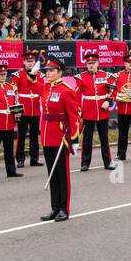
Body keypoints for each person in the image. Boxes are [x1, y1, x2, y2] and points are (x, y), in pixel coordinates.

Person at [39, 58, 81, 222]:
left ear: (59, 72)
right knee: (52, 174)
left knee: (62, 175)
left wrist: (74, 139)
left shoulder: (67, 90)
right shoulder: (45, 87)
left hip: (60, 136)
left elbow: (74, 117)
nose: (48, 73)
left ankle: (64, 208)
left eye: (51, 70)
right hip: (47, 135)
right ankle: (54, 207)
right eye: (47, 70)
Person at [76, 52, 116, 171]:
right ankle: (85, 163)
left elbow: (114, 90)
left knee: (104, 138)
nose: (91, 65)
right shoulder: (81, 77)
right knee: (87, 139)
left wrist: (108, 101)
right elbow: (77, 96)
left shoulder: (106, 75)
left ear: (98, 63)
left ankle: (107, 162)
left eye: (93, 63)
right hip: (88, 111)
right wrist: (79, 111)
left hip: (102, 111)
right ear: (86, 65)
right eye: (89, 63)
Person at [14, 52, 44, 168]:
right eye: (28, 61)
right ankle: (20, 159)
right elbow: (14, 93)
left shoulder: (40, 75)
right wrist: (16, 111)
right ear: (24, 62)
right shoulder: (17, 75)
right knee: (21, 136)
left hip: (35, 109)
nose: (30, 63)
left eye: (32, 61)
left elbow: (42, 91)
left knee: (34, 135)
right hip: (23, 109)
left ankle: (34, 159)